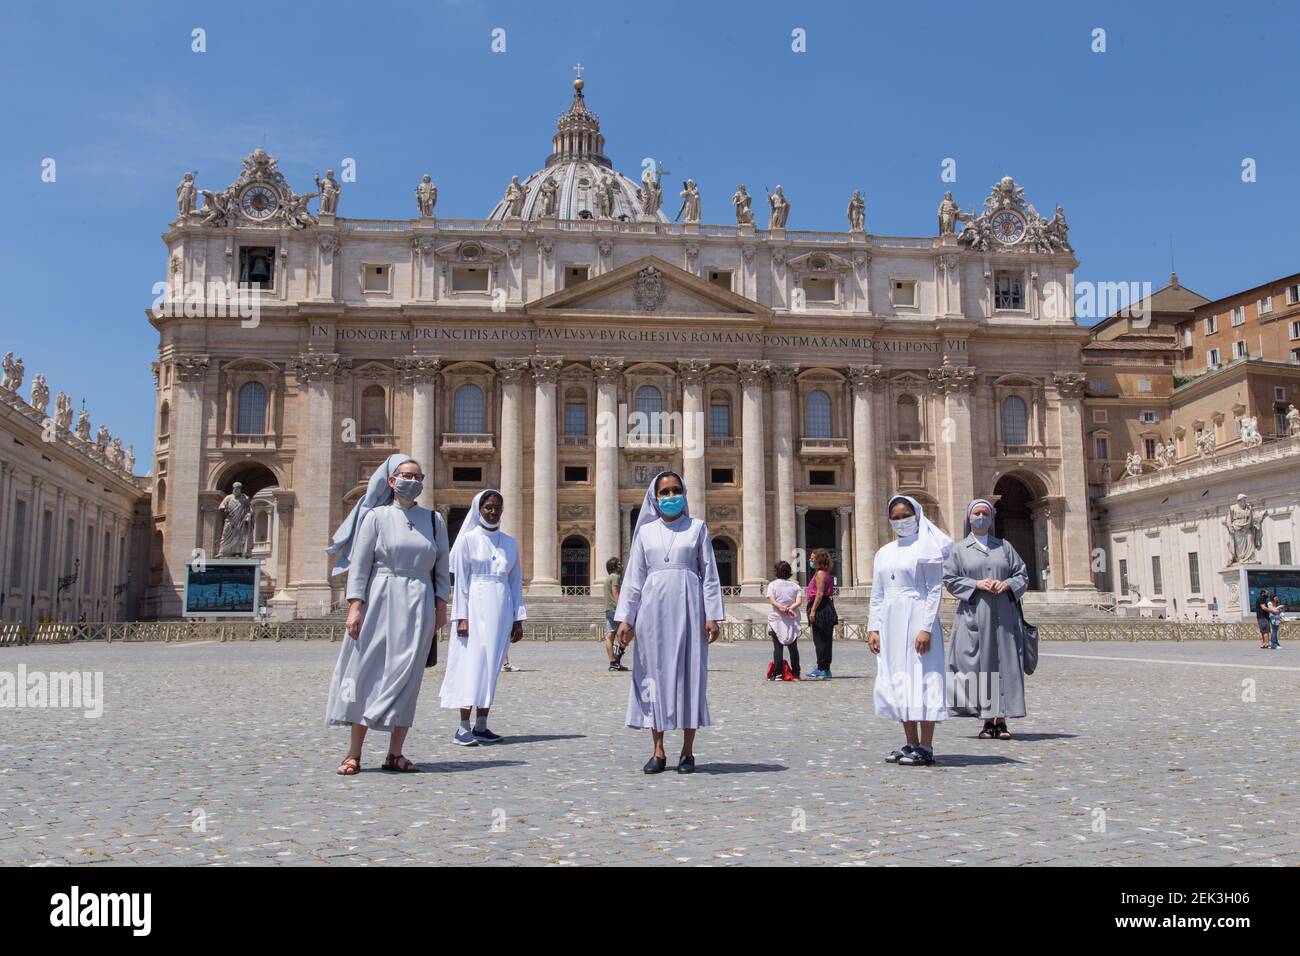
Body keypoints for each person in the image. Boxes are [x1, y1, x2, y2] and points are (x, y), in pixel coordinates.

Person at [325, 455, 449, 774]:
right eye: (407, 475)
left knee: (408, 675)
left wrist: (441, 604)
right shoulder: (376, 517)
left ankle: (396, 753)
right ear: (391, 481)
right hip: (380, 595)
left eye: (419, 476)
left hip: (419, 600)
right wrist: (355, 605)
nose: (414, 481)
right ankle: (354, 752)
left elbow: (441, 568)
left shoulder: (434, 520)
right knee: (367, 671)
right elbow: (361, 564)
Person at [614, 471, 724, 774]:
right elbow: (634, 579)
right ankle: (658, 750)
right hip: (652, 612)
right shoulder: (645, 533)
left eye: (676, 491)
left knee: (690, 675)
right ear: (655, 497)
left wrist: (712, 614)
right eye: (665, 492)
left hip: (690, 608)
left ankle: (688, 752)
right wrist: (626, 618)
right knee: (653, 676)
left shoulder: (697, 528)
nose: (671, 497)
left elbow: (710, 575)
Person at [867, 494, 953, 766]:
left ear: (917, 516)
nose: (901, 520)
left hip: (917, 616)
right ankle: (910, 742)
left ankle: (926, 746)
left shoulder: (927, 548)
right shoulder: (883, 552)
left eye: (906, 515)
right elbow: (878, 593)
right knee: (899, 679)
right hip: (891, 622)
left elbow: (934, 589)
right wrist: (874, 628)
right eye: (896, 517)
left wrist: (926, 628)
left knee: (923, 678)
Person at [439, 490, 526, 744]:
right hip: (474, 607)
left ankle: (481, 725)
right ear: (479, 509)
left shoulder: (510, 543)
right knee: (471, 665)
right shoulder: (467, 540)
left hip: (501, 607)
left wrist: (518, 618)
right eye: (488, 507)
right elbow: (462, 583)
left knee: (492, 666)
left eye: (497, 507)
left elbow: (515, 581)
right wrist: (461, 617)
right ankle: (463, 726)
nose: (493, 511)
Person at [943, 498, 1030, 739]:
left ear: (991, 518)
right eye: (977, 513)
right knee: (978, 665)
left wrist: (1008, 583)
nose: (981, 517)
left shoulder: (1004, 546)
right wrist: (976, 584)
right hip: (974, 615)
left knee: (1004, 664)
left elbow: (1021, 574)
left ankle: (1001, 719)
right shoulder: (959, 550)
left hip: (1004, 614)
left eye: (985, 513)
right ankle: (985, 719)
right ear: (968, 518)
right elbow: (949, 579)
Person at [766, 560, 803, 680]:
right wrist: (790, 609)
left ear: (776, 572)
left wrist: (782, 608)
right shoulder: (795, 586)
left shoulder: (772, 585)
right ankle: (796, 673)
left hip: (777, 619)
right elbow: (799, 602)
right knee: (793, 648)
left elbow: (772, 600)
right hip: (792, 619)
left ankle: (777, 673)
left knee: (778, 648)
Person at [804, 548, 837, 679]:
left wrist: (813, 610)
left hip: (821, 607)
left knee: (820, 640)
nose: (810, 560)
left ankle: (822, 668)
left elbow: (819, 593)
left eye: (812, 558)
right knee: (825, 639)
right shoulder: (825, 573)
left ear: (819, 560)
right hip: (826, 605)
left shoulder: (820, 574)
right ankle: (825, 668)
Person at [603, 557, 628, 671]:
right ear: (614, 567)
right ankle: (618, 657)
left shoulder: (608, 578)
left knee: (609, 636)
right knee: (625, 632)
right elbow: (615, 593)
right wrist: (622, 608)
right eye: (619, 564)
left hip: (608, 609)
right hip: (615, 609)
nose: (621, 566)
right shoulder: (615, 577)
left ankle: (613, 662)